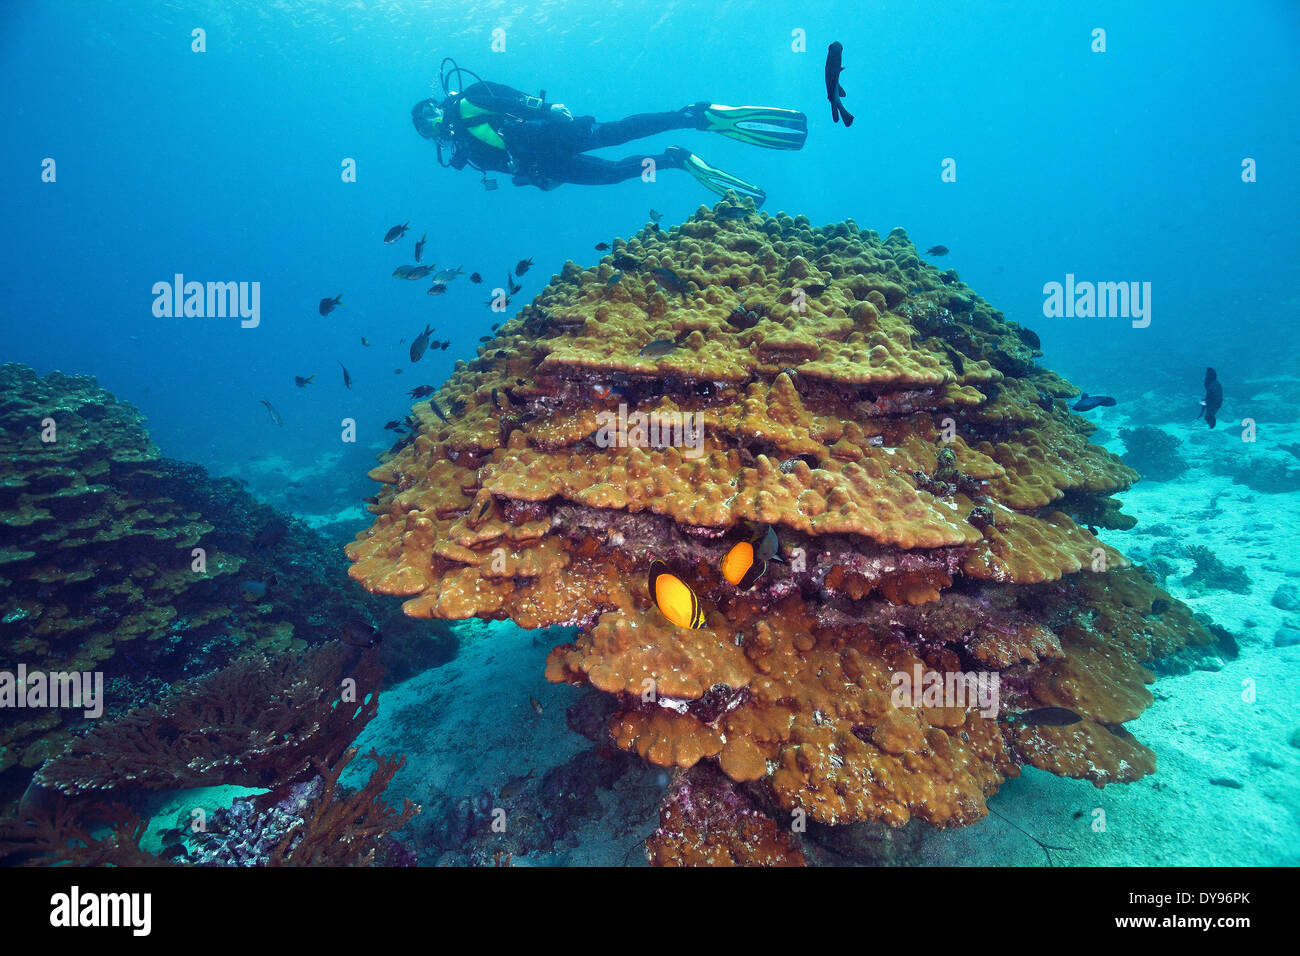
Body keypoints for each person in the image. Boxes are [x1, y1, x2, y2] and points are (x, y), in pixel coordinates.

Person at [411, 61, 807, 207]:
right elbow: (502, 164)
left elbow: (505, 97)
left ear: (436, 104)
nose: (431, 126)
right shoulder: (463, 152)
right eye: (424, 128)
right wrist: (537, 182)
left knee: (617, 133)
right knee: (615, 173)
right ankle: (676, 160)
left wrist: (545, 108)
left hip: (549, 136)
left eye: (429, 116)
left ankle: (693, 116)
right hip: (548, 165)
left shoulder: (466, 102)